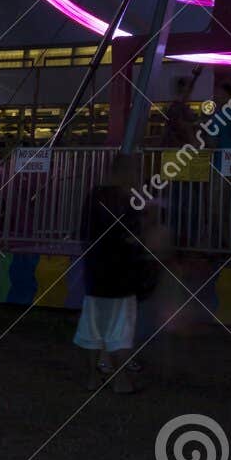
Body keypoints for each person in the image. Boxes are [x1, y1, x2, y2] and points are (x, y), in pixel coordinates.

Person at [73, 155, 145, 393]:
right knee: (121, 333)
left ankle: (92, 377)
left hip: (96, 274)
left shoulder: (94, 196)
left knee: (92, 330)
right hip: (121, 276)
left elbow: (84, 232)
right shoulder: (129, 201)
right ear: (127, 173)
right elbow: (133, 238)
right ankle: (121, 380)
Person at [161, 76, 197, 147]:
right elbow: (182, 125)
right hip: (179, 147)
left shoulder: (179, 107)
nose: (189, 92)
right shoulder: (178, 107)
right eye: (189, 89)